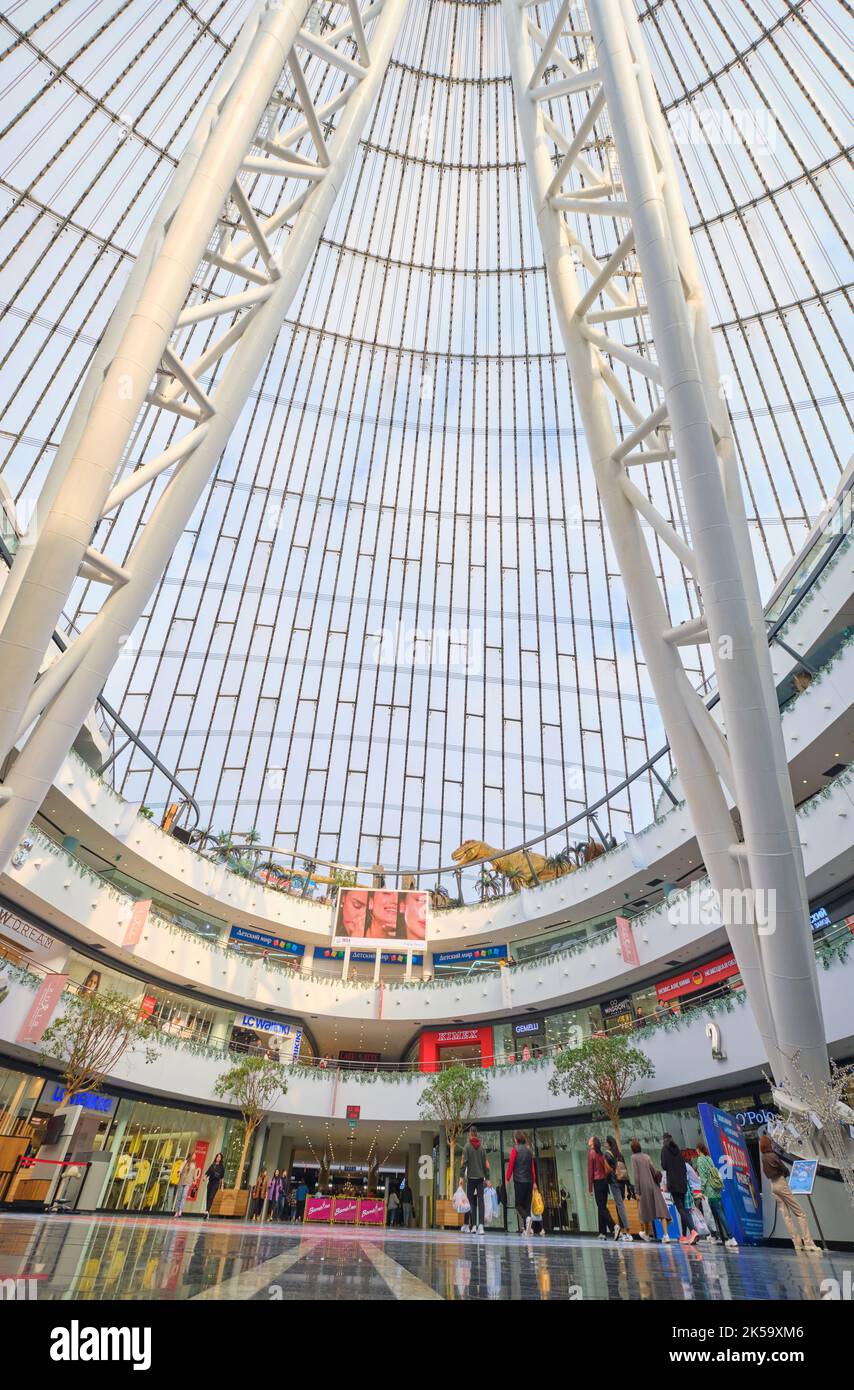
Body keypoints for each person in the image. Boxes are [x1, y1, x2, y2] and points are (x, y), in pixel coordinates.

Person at [759, 1136, 820, 1252]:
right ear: (769, 1144)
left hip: (773, 1185)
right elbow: (784, 1169)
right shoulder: (773, 1156)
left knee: (786, 1216)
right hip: (781, 1183)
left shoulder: (763, 1157)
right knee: (800, 1213)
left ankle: (796, 1243)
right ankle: (808, 1243)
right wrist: (785, 1173)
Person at [693, 1143, 738, 1248]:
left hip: (710, 1190)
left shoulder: (700, 1160)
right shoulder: (709, 1159)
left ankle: (730, 1237)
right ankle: (722, 1237)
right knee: (718, 1213)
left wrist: (702, 1191)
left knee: (718, 1214)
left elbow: (703, 1177)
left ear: (699, 1150)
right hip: (716, 1189)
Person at [629, 1139, 672, 1242]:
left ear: (632, 1149)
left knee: (644, 1210)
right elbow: (653, 1170)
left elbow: (636, 1175)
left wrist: (637, 1191)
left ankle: (646, 1234)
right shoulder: (646, 1156)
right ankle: (666, 1235)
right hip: (653, 1186)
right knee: (661, 1210)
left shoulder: (633, 1158)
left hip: (643, 1187)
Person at [660, 1134, 697, 1244]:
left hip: (674, 1183)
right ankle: (684, 1236)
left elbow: (664, 1166)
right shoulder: (678, 1151)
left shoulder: (664, 1150)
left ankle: (693, 1231)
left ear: (664, 1140)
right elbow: (683, 1166)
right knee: (683, 1209)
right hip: (682, 1182)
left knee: (680, 1208)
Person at [460, 1125, 490, 1234]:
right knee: (480, 1201)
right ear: (476, 1134)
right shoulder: (482, 1148)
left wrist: (461, 1177)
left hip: (471, 1178)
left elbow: (464, 1163)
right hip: (480, 1178)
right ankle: (480, 1226)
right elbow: (486, 1164)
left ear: (469, 1134)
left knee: (470, 1201)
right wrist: (488, 1178)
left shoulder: (467, 1147)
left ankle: (469, 1225)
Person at [506, 1130, 537, 1233]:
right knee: (527, 1205)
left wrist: (507, 1177)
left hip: (519, 1181)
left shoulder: (515, 1150)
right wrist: (534, 1182)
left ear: (516, 1139)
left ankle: (527, 1220)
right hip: (529, 1181)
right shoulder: (529, 1151)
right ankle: (529, 1228)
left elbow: (511, 1164)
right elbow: (532, 1167)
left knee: (518, 1205)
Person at [604, 1134, 633, 1241]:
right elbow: (625, 1168)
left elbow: (607, 1170)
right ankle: (623, 1232)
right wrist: (628, 1184)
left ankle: (628, 1231)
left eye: (606, 1142)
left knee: (620, 1205)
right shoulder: (619, 1154)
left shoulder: (607, 1155)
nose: (605, 1144)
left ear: (609, 1144)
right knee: (619, 1205)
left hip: (614, 1182)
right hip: (622, 1182)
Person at [587, 1135, 613, 1239]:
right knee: (601, 1206)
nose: (588, 1140)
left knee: (601, 1207)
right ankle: (602, 1232)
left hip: (597, 1182)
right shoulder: (601, 1154)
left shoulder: (591, 1153)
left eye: (590, 1139)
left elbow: (590, 1172)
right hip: (604, 1183)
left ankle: (613, 1226)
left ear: (593, 1143)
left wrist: (590, 1188)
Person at [174, 1153, 197, 1218]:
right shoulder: (185, 1161)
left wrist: (195, 1180)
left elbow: (194, 1173)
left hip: (188, 1182)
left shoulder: (194, 1164)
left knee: (184, 1196)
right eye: (194, 1155)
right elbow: (180, 1168)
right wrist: (179, 1172)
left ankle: (180, 1211)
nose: (195, 1156)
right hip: (182, 1181)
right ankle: (176, 1211)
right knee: (179, 1197)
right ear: (191, 1156)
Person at [204, 1153, 225, 1218]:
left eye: (219, 1157)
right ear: (216, 1158)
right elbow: (207, 1173)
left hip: (216, 1184)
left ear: (221, 1159)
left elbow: (222, 1177)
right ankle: (207, 1211)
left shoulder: (222, 1167)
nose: (218, 1158)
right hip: (210, 1183)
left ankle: (207, 1211)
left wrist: (222, 1186)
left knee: (211, 1197)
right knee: (208, 1197)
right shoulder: (212, 1165)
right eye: (217, 1157)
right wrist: (205, 1177)